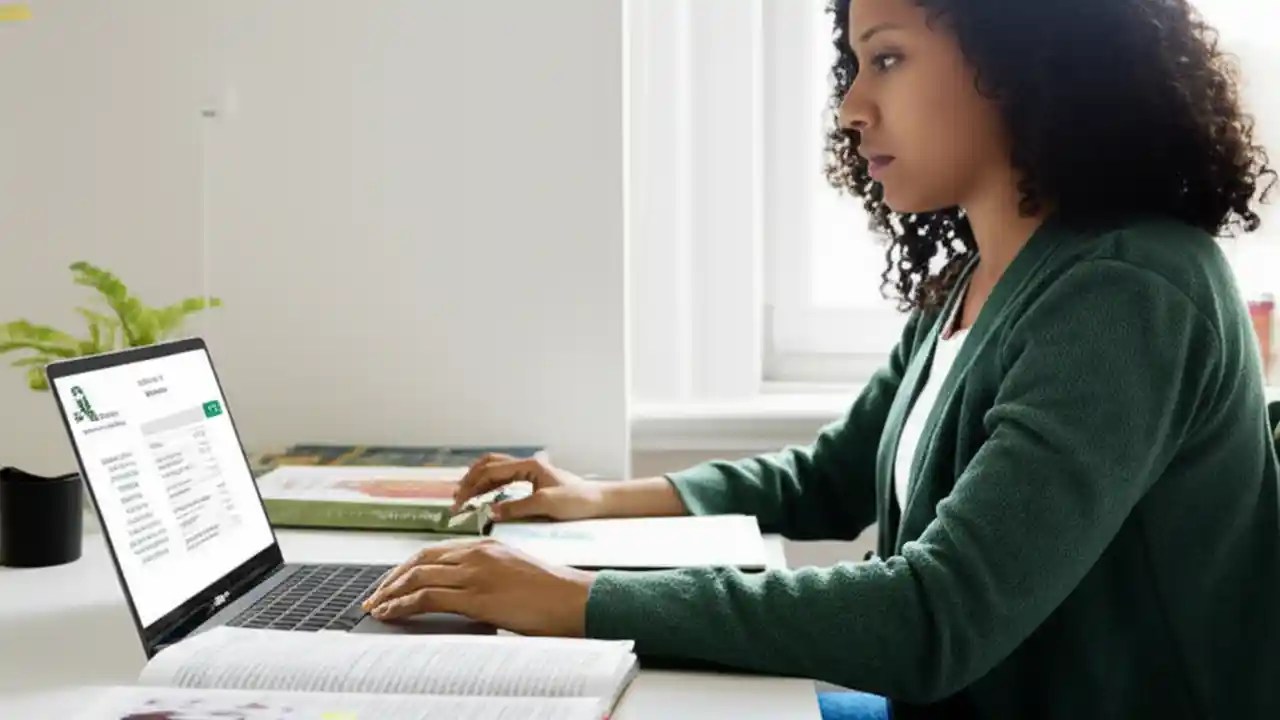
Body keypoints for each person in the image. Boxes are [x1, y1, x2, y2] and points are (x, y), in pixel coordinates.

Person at [363, 0, 1280, 716]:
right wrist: (596, 498)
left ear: (1023, 59)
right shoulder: (977, 278)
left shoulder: (1128, 292)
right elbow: (833, 476)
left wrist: (578, 601)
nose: (850, 105)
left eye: (886, 58)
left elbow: (935, 616)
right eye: (855, 65)